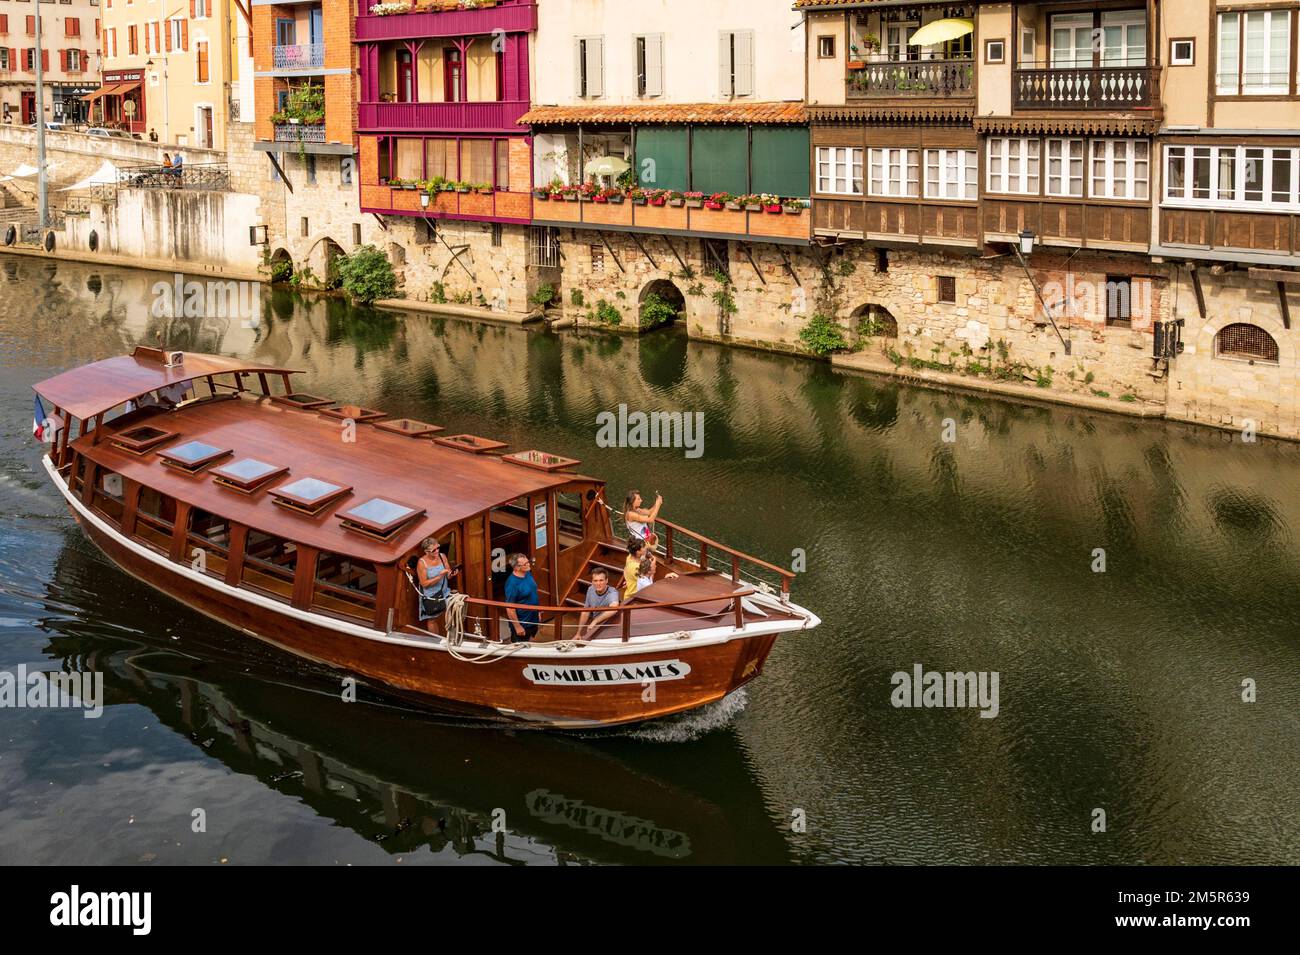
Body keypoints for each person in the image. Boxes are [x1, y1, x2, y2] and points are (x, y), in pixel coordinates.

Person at [416, 537, 455, 632]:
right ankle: (436, 641)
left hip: (445, 592)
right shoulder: (422, 563)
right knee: (432, 619)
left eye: (438, 548)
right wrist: (439, 577)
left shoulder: (442, 556)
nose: (437, 551)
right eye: (433, 550)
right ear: (426, 552)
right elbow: (424, 584)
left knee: (452, 613)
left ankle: (451, 639)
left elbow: (448, 574)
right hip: (432, 596)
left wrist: (452, 574)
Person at [574, 568, 619, 642]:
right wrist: (578, 633)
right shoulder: (590, 589)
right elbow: (586, 611)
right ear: (592, 581)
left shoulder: (612, 592)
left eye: (601, 580)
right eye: (595, 581)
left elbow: (614, 609)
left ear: (606, 581)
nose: (598, 583)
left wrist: (595, 621)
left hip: (610, 625)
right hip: (596, 624)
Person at [503, 553, 539, 642]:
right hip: (523, 623)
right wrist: (517, 626)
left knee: (531, 644)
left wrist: (538, 612)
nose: (529, 564)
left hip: (533, 619)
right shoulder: (512, 584)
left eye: (528, 562)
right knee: (519, 649)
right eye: (525, 564)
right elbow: (510, 608)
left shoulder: (527, 573)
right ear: (517, 567)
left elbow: (533, 593)